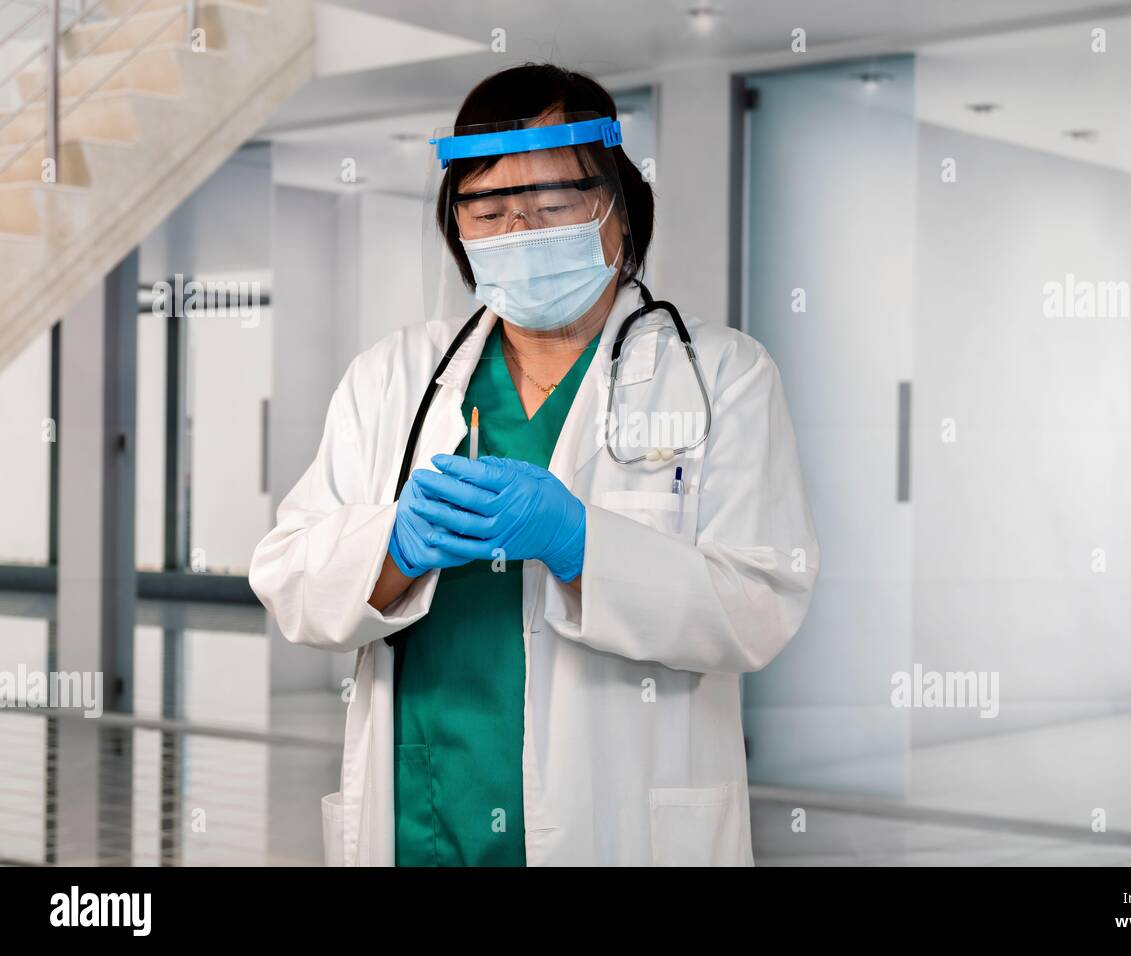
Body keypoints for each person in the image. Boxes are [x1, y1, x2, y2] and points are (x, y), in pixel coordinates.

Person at [249, 63, 818, 866]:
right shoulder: (394, 376)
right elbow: (286, 578)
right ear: (458, 226)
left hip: (619, 825)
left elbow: (762, 600)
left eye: (553, 205)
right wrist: (391, 547)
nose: (520, 232)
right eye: (487, 207)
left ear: (618, 209)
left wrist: (581, 542)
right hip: (423, 813)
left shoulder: (722, 375)